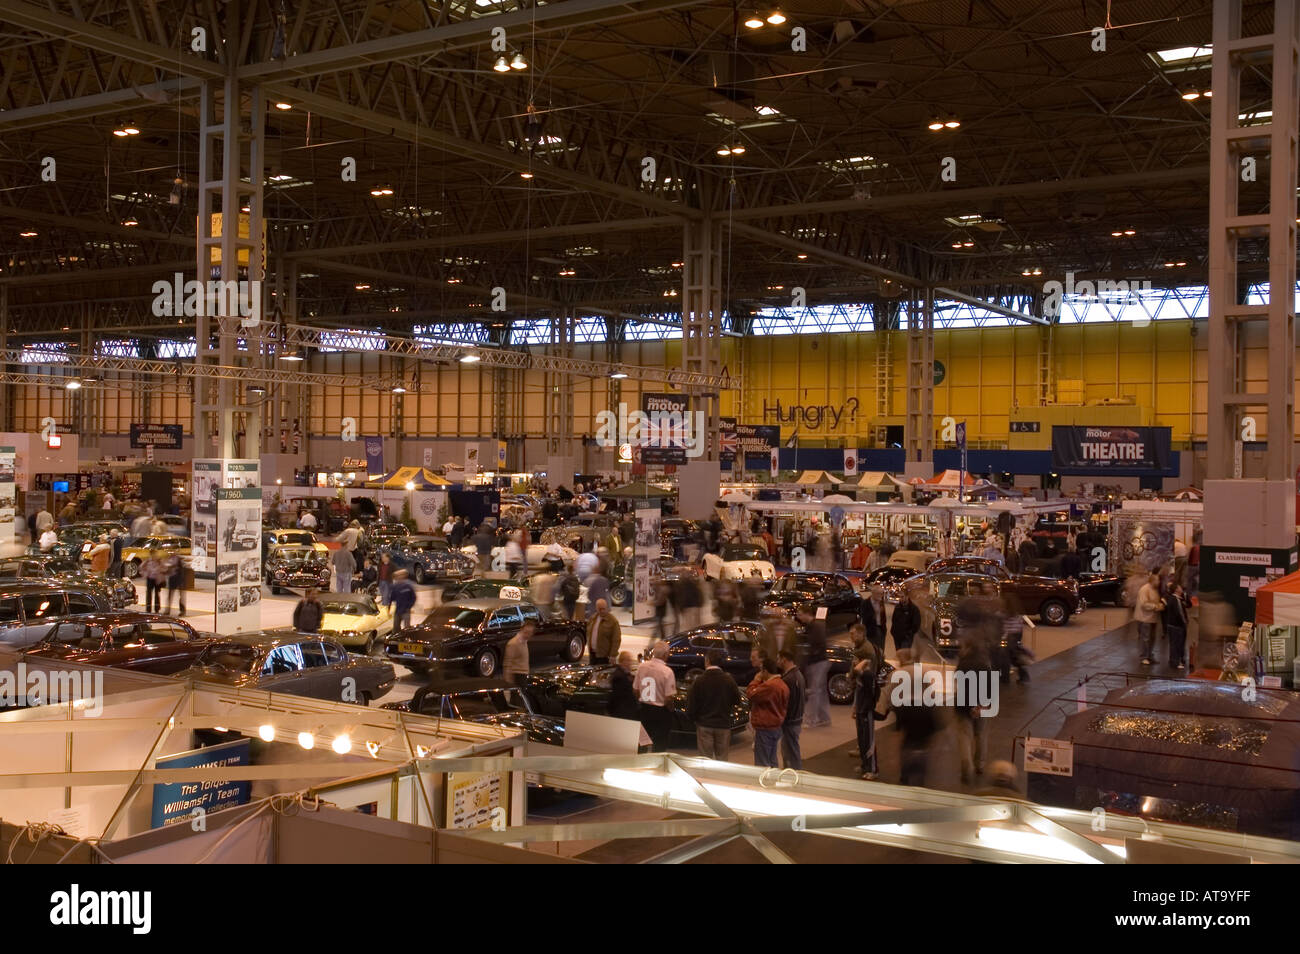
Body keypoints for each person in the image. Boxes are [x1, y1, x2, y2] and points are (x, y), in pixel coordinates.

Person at [686, 649, 742, 760]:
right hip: (723, 725)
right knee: (722, 760)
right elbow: (737, 700)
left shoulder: (699, 680)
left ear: (707, 661)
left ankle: (706, 777)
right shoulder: (728, 680)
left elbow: (691, 704)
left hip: (704, 725)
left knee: (705, 760)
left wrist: (693, 719)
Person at [849, 623, 882, 778]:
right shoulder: (862, 676)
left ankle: (872, 770)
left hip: (867, 708)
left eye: (854, 634)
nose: (851, 637)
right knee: (862, 739)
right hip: (862, 705)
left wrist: (866, 707)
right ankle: (865, 766)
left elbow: (871, 691)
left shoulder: (868, 674)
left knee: (868, 739)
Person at [745, 659, 789, 768]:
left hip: (765, 727)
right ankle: (773, 781)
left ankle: (764, 784)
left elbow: (751, 694)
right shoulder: (782, 684)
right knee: (772, 758)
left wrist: (755, 681)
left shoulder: (770, 686)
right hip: (776, 727)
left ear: (765, 671)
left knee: (762, 763)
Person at [634, 641, 677, 752]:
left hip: (644, 709)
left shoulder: (642, 667)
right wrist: (671, 710)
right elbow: (668, 698)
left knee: (641, 743)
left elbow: (635, 689)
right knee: (659, 745)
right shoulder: (667, 672)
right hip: (660, 712)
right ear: (664, 655)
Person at [795, 605, 831, 729]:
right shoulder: (813, 626)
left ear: (806, 614)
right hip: (820, 661)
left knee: (814, 692)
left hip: (817, 662)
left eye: (800, 614)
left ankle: (811, 720)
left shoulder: (815, 627)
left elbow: (817, 646)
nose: (798, 618)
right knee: (821, 692)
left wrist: (807, 659)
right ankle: (824, 718)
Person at [777, 649, 806, 769]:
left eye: (778, 659)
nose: (777, 662)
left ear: (784, 659)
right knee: (793, 751)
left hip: (790, 722)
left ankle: (794, 777)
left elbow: (786, 702)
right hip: (796, 720)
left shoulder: (788, 679)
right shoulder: (798, 675)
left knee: (790, 754)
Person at [1135, 571, 1165, 665]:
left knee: (1152, 638)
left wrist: (1160, 604)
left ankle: (1149, 656)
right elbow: (1144, 604)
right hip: (1144, 618)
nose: (1159, 582)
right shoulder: (1145, 589)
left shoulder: (1154, 589)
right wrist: (1157, 607)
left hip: (1152, 618)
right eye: (1158, 580)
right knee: (1145, 638)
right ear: (1152, 580)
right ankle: (1144, 657)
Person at [587, 598, 621, 665]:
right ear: (596, 608)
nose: (602, 611)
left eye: (603, 608)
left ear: (607, 608)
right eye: (600, 609)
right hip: (592, 654)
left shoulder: (613, 621)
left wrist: (613, 655)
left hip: (604, 656)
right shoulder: (593, 618)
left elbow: (616, 640)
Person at [1164, 582, 1189, 670]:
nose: (1181, 588)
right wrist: (1184, 622)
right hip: (1176, 626)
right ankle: (1175, 662)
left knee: (1178, 644)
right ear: (1176, 589)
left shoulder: (1179, 599)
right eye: (1179, 587)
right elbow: (1179, 613)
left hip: (1175, 625)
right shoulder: (1175, 600)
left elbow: (1189, 605)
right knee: (1176, 644)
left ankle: (1177, 660)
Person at [608, 652, 640, 720]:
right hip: (623, 713)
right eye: (628, 660)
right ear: (622, 661)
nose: (630, 662)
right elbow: (620, 697)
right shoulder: (619, 677)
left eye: (630, 660)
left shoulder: (625, 673)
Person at [860, 583, 888, 654]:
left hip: (881, 630)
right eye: (879, 594)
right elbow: (864, 618)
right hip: (871, 631)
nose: (881, 596)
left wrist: (884, 628)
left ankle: (880, 663)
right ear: (873, 593)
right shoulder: (865, 603)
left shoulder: (881, 602)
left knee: (881, 651)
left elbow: (883, 616)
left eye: (882, 594)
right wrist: (874, 613)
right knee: (873, 651)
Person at [504, 620, 534, 685]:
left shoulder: (524, 641)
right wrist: (508, 682)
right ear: (521, 630)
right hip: (516, 676)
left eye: (530, 633)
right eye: (526, 632)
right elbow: (507, 663)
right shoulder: (513, 643)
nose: (528, 635)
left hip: (524, 674)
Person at [143, 549, 165, 614]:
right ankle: (148, 608)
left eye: (155, 554)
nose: (154, 555)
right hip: (150, 579)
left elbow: (163, 568)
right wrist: (145, 573)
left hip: (156, 580)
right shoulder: (148, 561)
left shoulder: (159, 561)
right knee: (149, 594)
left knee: (157, 594)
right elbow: (141, 567)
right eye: (152, 554)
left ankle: (157, 608)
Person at [165, 551, 186, 615]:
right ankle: (168, 610)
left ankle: (182, 611)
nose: (171, 552)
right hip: (172, 579)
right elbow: (167, 569)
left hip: (178, 579)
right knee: (170, 595)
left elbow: (181, 570)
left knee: (181, 595)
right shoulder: (169, 558)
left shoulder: (179, 559)